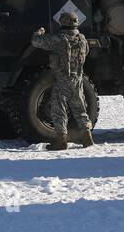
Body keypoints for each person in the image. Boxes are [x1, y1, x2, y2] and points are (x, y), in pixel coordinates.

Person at [31, 11, 93, 150]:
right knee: (80, 108)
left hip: (62, 79)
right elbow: (86, 52)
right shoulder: (82, 39)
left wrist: (39, 32)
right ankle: (87, 138)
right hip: (77, 78)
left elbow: (36, 42)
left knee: (58, 110)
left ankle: (61, 141)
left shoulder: (58, 38)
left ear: (63, 22)